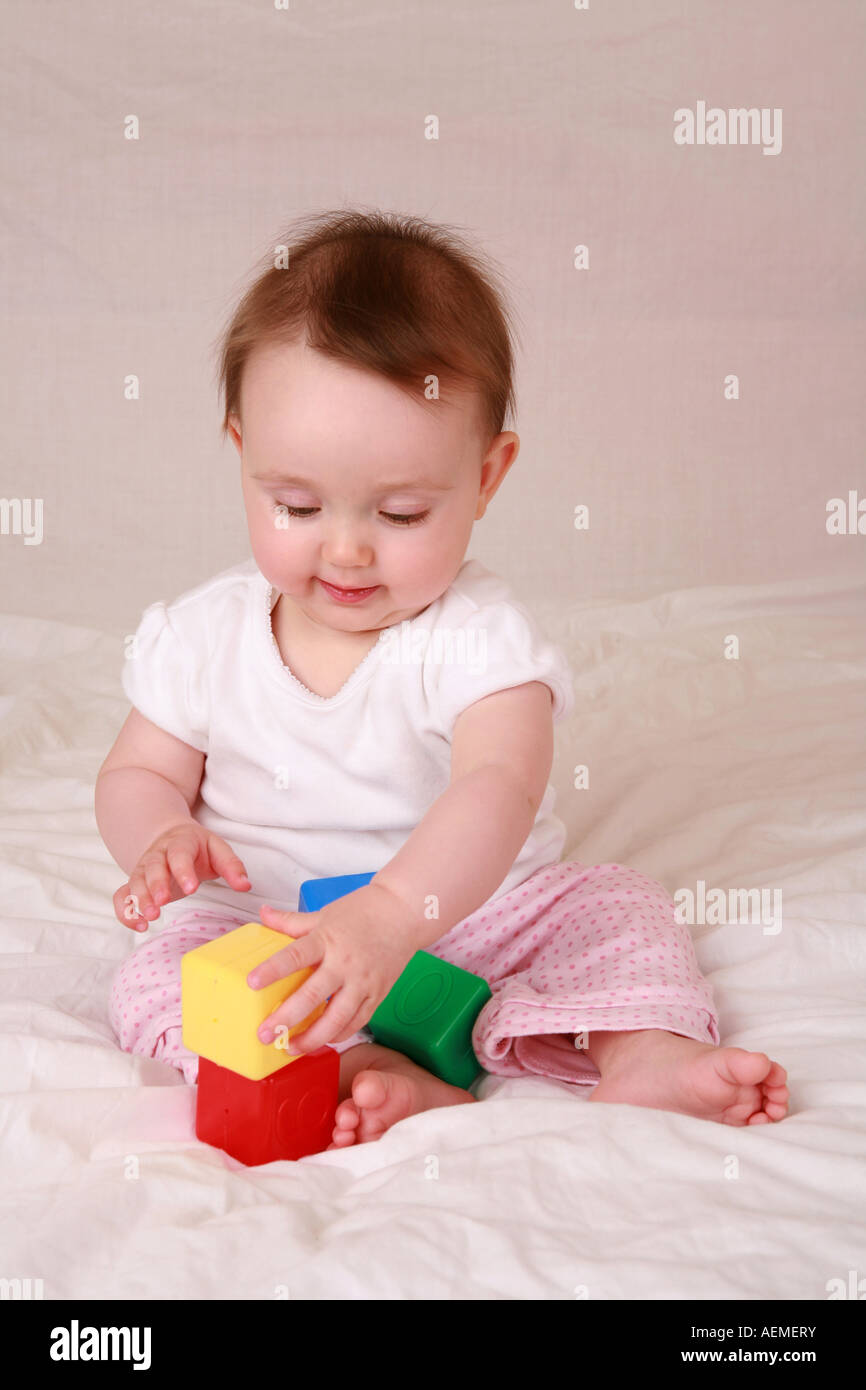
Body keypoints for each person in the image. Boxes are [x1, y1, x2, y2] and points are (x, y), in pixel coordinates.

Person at [96, 208, 789, 1147]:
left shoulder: (479, 638)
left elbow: (499, 785)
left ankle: (646, 1053)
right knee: (156, 978)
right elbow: (138, 771)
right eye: (295, 503)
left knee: (615, 907)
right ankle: (363, 1069)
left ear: (487, 476)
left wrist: (392, 918)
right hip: (270, 938)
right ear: (240, 453)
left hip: (472, 917)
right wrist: (163, 833)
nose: (345, 548)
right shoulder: (202, 635)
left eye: (403, 512)